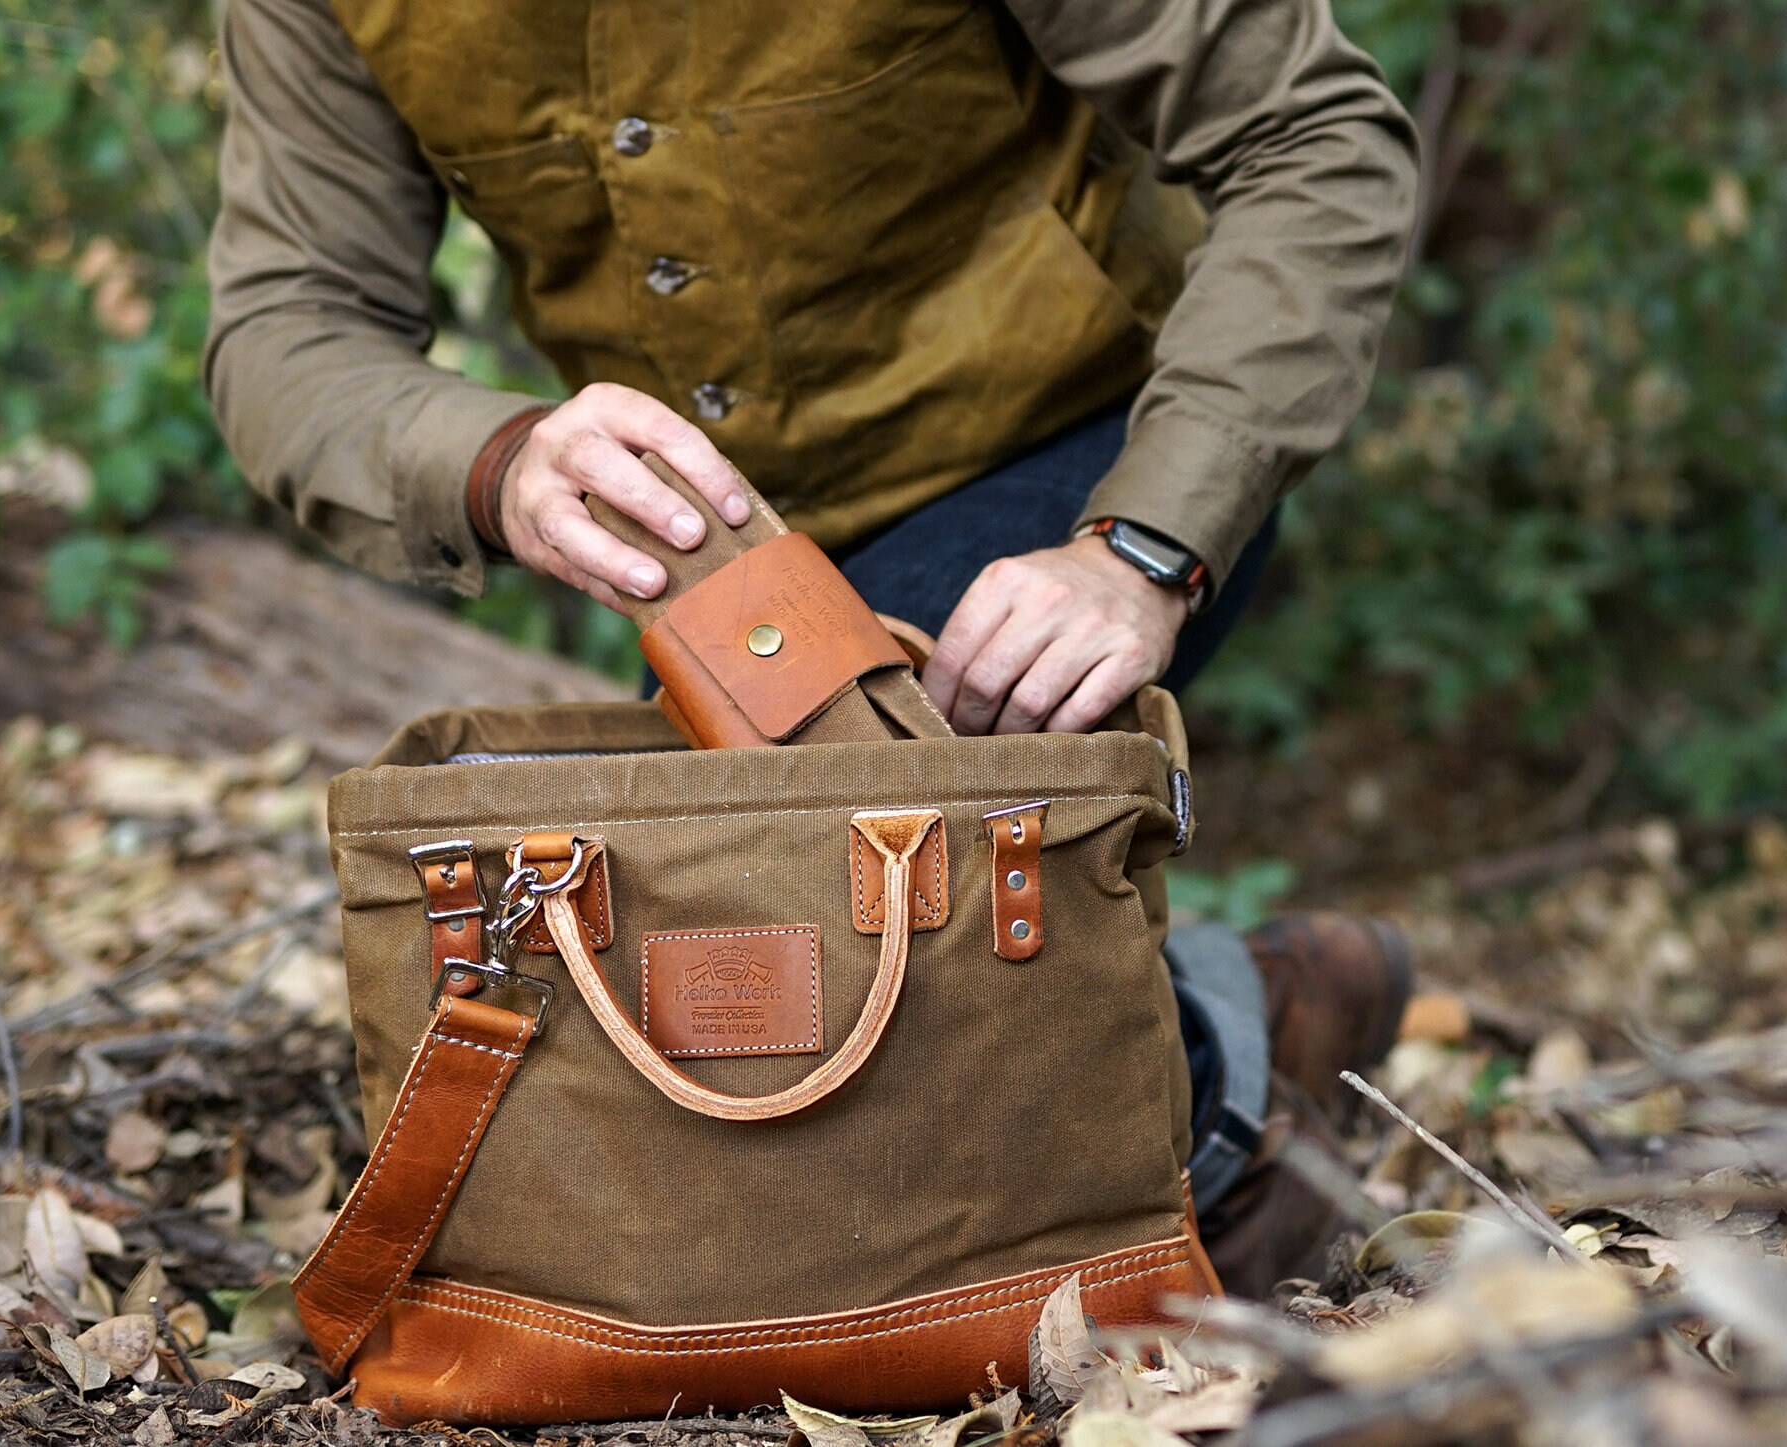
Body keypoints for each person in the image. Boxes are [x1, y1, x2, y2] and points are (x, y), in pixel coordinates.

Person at [205, 0, 1421, 1296]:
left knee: (856, 915)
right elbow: (288, 319)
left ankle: (1227, 1098)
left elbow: (1315, 137)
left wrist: (1145, 541)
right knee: (714, 1048)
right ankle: (1236, 1002)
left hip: (1079, 467)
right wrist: (493, 461)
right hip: (728, 577)